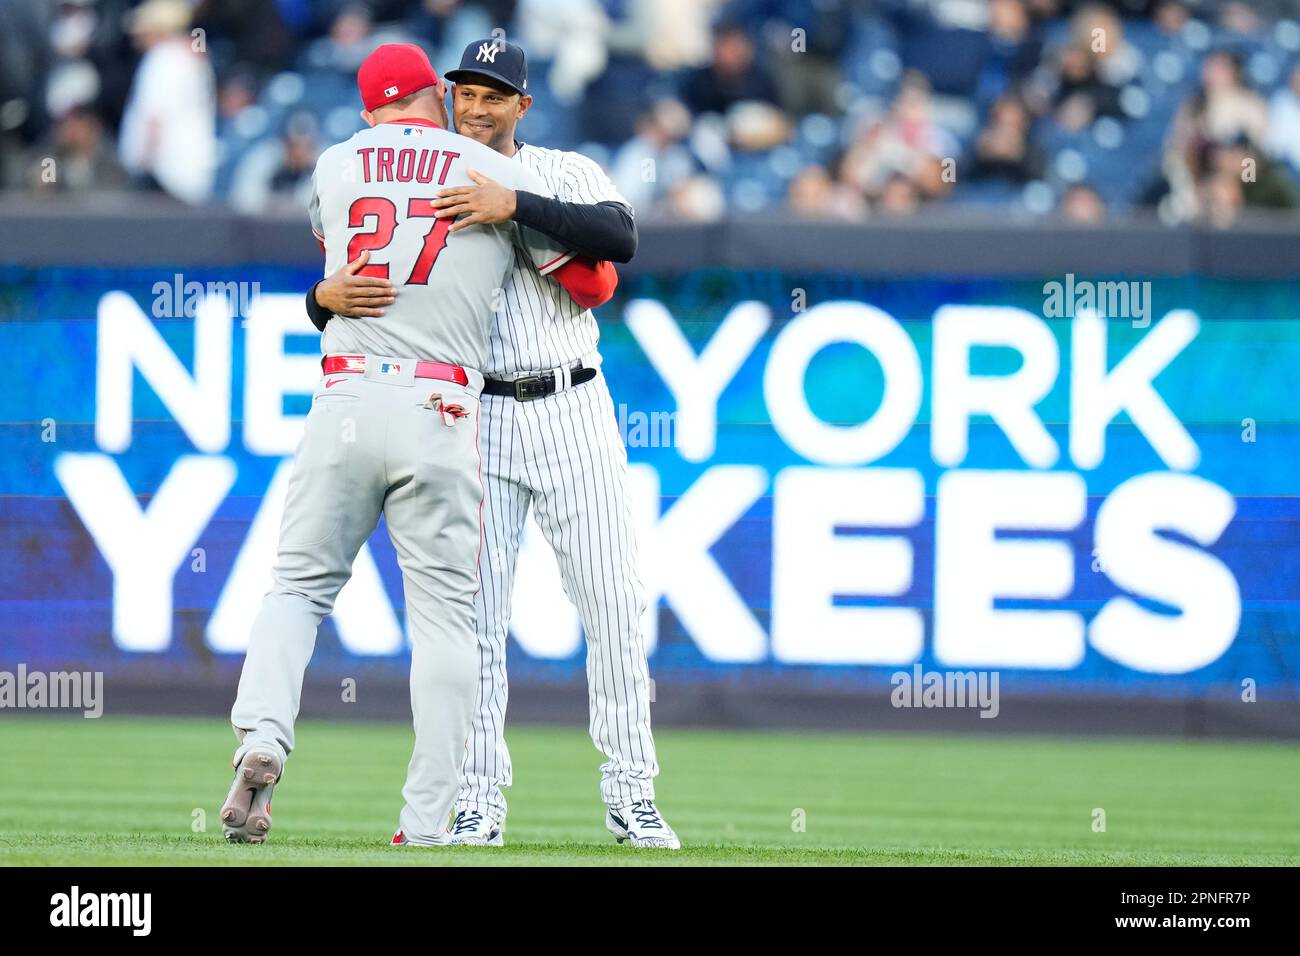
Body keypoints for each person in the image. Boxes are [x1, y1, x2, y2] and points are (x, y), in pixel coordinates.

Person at [220, 42, 595, 847]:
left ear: (366, 110)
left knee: (295, 589)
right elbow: (593, 276)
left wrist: (321, 297)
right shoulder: (486, 172)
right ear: (439, 92)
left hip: (348, 389)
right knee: (446, 626)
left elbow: (341, 270)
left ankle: (261, 737)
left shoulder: (334, 166)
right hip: (444, 404)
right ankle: (426, 823)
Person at [310, 38, 679, 849]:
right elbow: (358, 288)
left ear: (522, 105)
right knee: (473, 620)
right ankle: (478, 798)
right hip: (474, 413)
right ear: (446, 96)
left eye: (493, 95)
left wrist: (517, 205)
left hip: (572, 401)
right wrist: (316, 299)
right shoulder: (415, 176)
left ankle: (631, 792)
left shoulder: (563, 169)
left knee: (615, 605)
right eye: (464, 92)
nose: (476, 108)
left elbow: (617, 240)